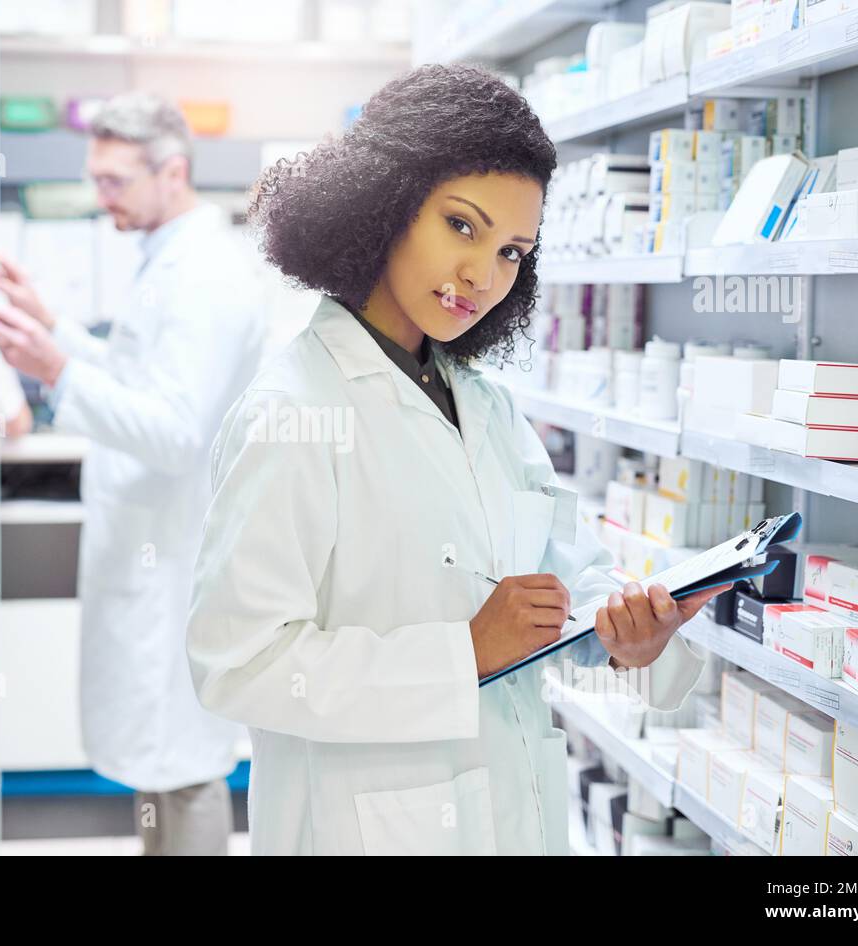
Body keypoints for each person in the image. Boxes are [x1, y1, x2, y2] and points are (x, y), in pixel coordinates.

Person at [186, 65, 727, 856]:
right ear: (383, 201)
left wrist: (628, 633)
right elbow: (239, 663)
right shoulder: (293, 412)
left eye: (513, 250)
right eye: (462, 226)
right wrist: (462, 652)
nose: (484, 275)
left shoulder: (485, 404)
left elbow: (563, 570)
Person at [0, 92, 265, 856]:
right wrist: (53, 328)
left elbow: (172, 432)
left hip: (174, 558)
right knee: (160, 760)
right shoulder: (170, 261)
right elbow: (138, 376)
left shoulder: (203, 274)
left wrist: (56, 371)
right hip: (152, 548)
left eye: (114, 181)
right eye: (95, 178)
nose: (100, 196)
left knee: (185, 763)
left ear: (172, 171)